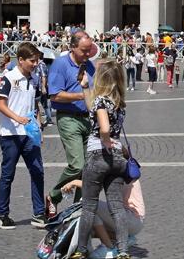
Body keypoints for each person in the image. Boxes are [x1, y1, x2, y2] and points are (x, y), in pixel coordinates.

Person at [71, 60, 130, 259]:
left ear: (102, 79)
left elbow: (103, 127)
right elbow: (93, 111)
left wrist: (105, 139)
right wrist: (85, 88)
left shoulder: (101, 101)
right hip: (117, 160)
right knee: (117, 208)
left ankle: (81, 250)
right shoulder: (119, 103)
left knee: (88, 206)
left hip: (98, 155)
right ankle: (122, 251)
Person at [0, 43, 47, 230]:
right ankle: (2, 214)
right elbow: (1, 105)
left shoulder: (34, 79)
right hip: (11, 134)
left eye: (37, 60)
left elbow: (36, 106)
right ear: (21, 60)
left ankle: (39, 213)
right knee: (8, 175)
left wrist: (39, 127)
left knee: (37, 172)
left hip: (29, 133)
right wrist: (18, 118)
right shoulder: (8, 78)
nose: (35, 63)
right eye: (32, 60)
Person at [48, 32, 96, 205]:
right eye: (84, 50)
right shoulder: (60, 65)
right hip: (68, 118)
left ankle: (79, 207)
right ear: (73, 47)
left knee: (89, 168)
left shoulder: (90, 65)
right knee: (77, 165)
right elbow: (55, 95)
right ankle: (54, 196)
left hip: (88, 120)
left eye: (90, 50)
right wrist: (81, 95)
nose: (87, 54)